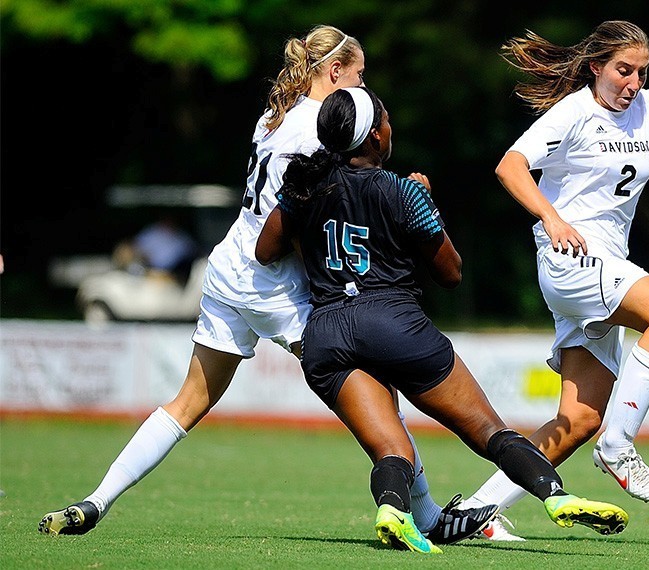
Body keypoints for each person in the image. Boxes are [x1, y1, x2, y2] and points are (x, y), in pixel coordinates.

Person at [38, 25, 496, 544]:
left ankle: (96, 500)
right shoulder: (317, 132)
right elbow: (301, 231)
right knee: (374, 391)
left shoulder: (275, 114)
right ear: (335, 72)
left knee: (188, 400)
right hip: (275, 286)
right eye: (360, 75)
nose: (365, 88)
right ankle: (430, 516)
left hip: (229, 268)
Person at [255, 85, 629, 553]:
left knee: (393, 450)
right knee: (491, 433)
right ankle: (556, 496)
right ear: (374, 137)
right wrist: (425, 205)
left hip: (327, 334)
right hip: (394, 325)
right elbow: (450, 273)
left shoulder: (305, 189)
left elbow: (264, 250)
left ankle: (392, 508)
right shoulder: (401, 190)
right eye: (387, 121)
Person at [454, 20, 649, 540]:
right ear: (596, 68)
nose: (632, 83)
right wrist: (552, 217)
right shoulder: (574, 111)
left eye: (641, 72)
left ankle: (476, 514)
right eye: (623, 71)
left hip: (606, 264)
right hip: (568, 259)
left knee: (578, 419)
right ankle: (620, 445)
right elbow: (510, 166)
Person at [113, 214, 200, 283]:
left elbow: (193, 251)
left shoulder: (182, 237)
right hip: (152, 272)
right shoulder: (150, 233)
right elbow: (138, 250)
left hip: (176, 273)